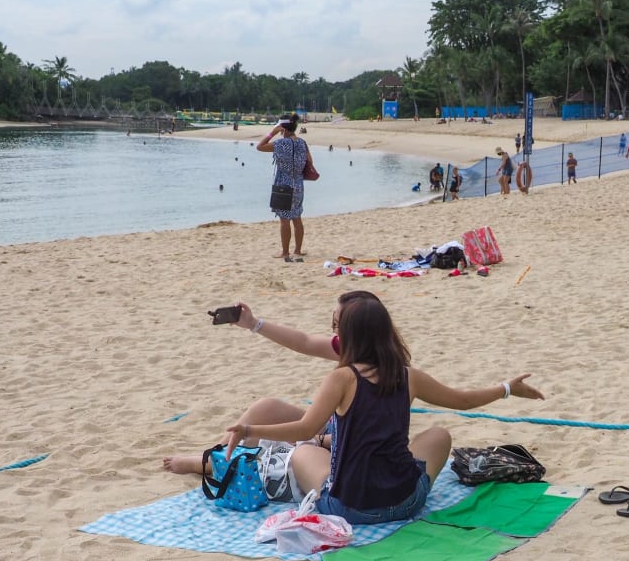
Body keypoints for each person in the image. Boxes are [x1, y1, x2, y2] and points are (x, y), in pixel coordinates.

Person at [221, 293, 545, 524]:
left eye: (336, 325)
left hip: (351, 509)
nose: (333, 331)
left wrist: (249, 430)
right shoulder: (408, 376)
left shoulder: (341, 378)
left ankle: (220, 460)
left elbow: (304, 429)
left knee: (303, 452)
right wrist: (506, 388)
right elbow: (462, 400)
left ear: (351, 334)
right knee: (438, 435)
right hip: (406, 502)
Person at [162, 291, 380, 477]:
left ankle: (213, 463)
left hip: (348, 447)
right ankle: (215, 458)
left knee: (287, 445)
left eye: (337, 324)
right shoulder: (359, 350)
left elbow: (365, 436)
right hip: (334, 428)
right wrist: (253, 324)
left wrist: (317, 439)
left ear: (356, 330)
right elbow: (303, 341)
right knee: (266, 408)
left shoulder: (378, 373)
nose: (334, 331)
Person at [257, 114, 312, 260]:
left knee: (284, 219)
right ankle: (298, 250)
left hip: (283, 185)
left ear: (282, 128)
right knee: (297, 217)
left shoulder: (281, 144)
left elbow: (259, 146)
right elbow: (310, 161)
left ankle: (285, 252)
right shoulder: (302, 143)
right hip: (298, 184)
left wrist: (272, 132)